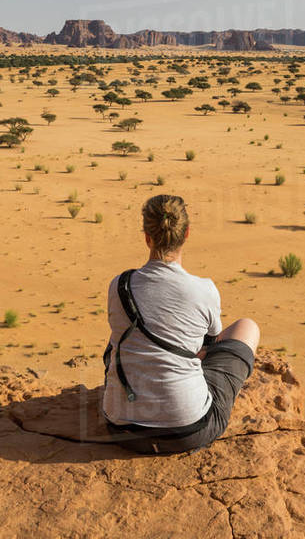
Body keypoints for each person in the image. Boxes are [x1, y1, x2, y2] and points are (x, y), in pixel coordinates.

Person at [101, 194, 260, 455]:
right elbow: (207, 348)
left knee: (118, 339)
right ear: (186, 233)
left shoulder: (119, 285)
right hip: (189, 430)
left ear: (147, 237)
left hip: (120, 428)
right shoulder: (204, 289)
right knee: (247, 327)